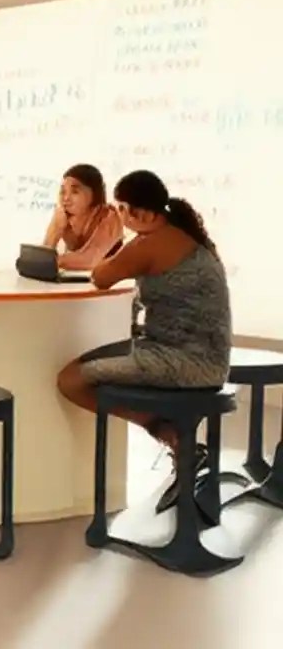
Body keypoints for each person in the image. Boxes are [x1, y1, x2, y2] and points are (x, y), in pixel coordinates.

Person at [56, 170, 230, 513]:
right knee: (93, 361)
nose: (118, 216)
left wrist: (113, 237)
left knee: (70, 379)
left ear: (144, 215)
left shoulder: (150, 243)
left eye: (122, 210)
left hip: (187, 362)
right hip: (202, 357)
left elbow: (100, 276)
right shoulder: (182, 235)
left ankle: (171, 438)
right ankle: (180, 444)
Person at [42, 164, 124, 270]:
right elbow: (44, 254)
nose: (66, 198)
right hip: (80, 281)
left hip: (117, 282)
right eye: (63, 191)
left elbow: (89, 260)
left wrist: (51, 260)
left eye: (75, 192)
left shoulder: (110, 216)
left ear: (94, 193)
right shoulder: (64, 216)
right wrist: (56, 227)